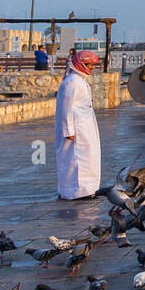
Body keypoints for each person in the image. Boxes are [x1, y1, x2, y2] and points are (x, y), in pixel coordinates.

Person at [54, 50, 101, 200]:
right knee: (75, 160)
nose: (92, 68)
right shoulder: (72, 83)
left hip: (85, 125)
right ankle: (75, 191)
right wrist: (69, 130)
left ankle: (87, 188)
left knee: (87, 158)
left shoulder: (79, 80)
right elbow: (65, 107)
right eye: (90, 65)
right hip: (76, 127)